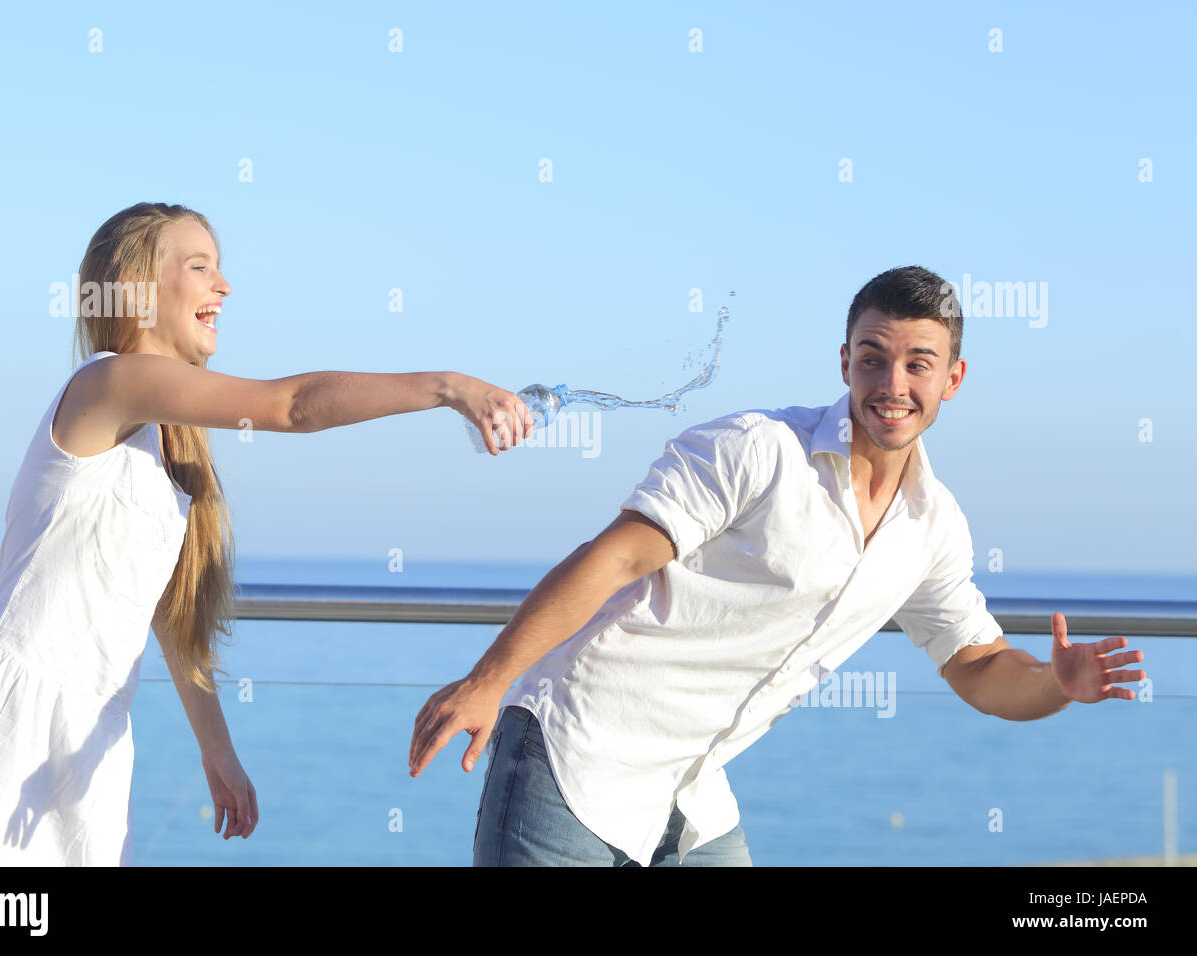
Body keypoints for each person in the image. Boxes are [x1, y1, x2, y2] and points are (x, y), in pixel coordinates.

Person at [408, 264, 1147, 867]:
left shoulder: (934, 525)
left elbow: (980, 665)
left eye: (917, 364)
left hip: (690, 792)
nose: (892, 384)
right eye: (872, 358)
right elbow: (615, 557)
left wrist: (1056, 684)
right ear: (845, 363)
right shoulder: (758, 449)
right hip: (574, 757)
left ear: (951, 379)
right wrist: (489, 680)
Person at [0, 201, 533, 867]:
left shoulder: (165, 442)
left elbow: (166, 611)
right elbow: (290, 406)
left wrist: (215, 746)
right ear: (139, 288)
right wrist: (447, 386)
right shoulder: (106, 382)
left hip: (86, 735)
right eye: (201, 267)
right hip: (8, 715)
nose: (224, 287)